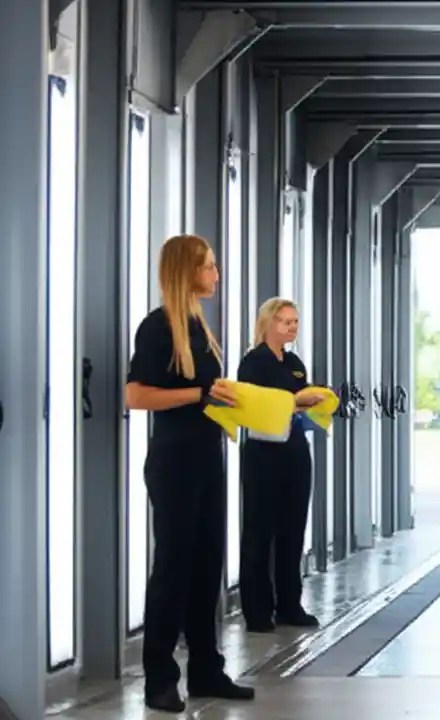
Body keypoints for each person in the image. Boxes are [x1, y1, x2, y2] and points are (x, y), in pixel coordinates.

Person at [124, 235, 255, 713]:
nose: (216, 275)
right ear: (187, 271)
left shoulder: (200, 328)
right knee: (174, 568)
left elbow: (207, 394)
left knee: (206, 568)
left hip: (207, 458)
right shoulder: (158, 328)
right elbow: (136, 396)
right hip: (174, 462)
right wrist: (199, 396)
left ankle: (206, 669)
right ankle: (160, 679)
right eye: (210, 267)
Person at [238, 298, 327, 632]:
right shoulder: (254, 362)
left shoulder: (294, 363)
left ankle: (289, 603)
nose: (292, 327)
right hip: (263, 452)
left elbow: (301, 399)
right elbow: (253, 404)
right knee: (260, 530)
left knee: (292, 530)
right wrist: (295, 401)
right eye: (285, 321)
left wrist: (315, 403)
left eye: (295, 322)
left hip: (294, 450)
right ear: (268, 323)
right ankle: (257, 609)